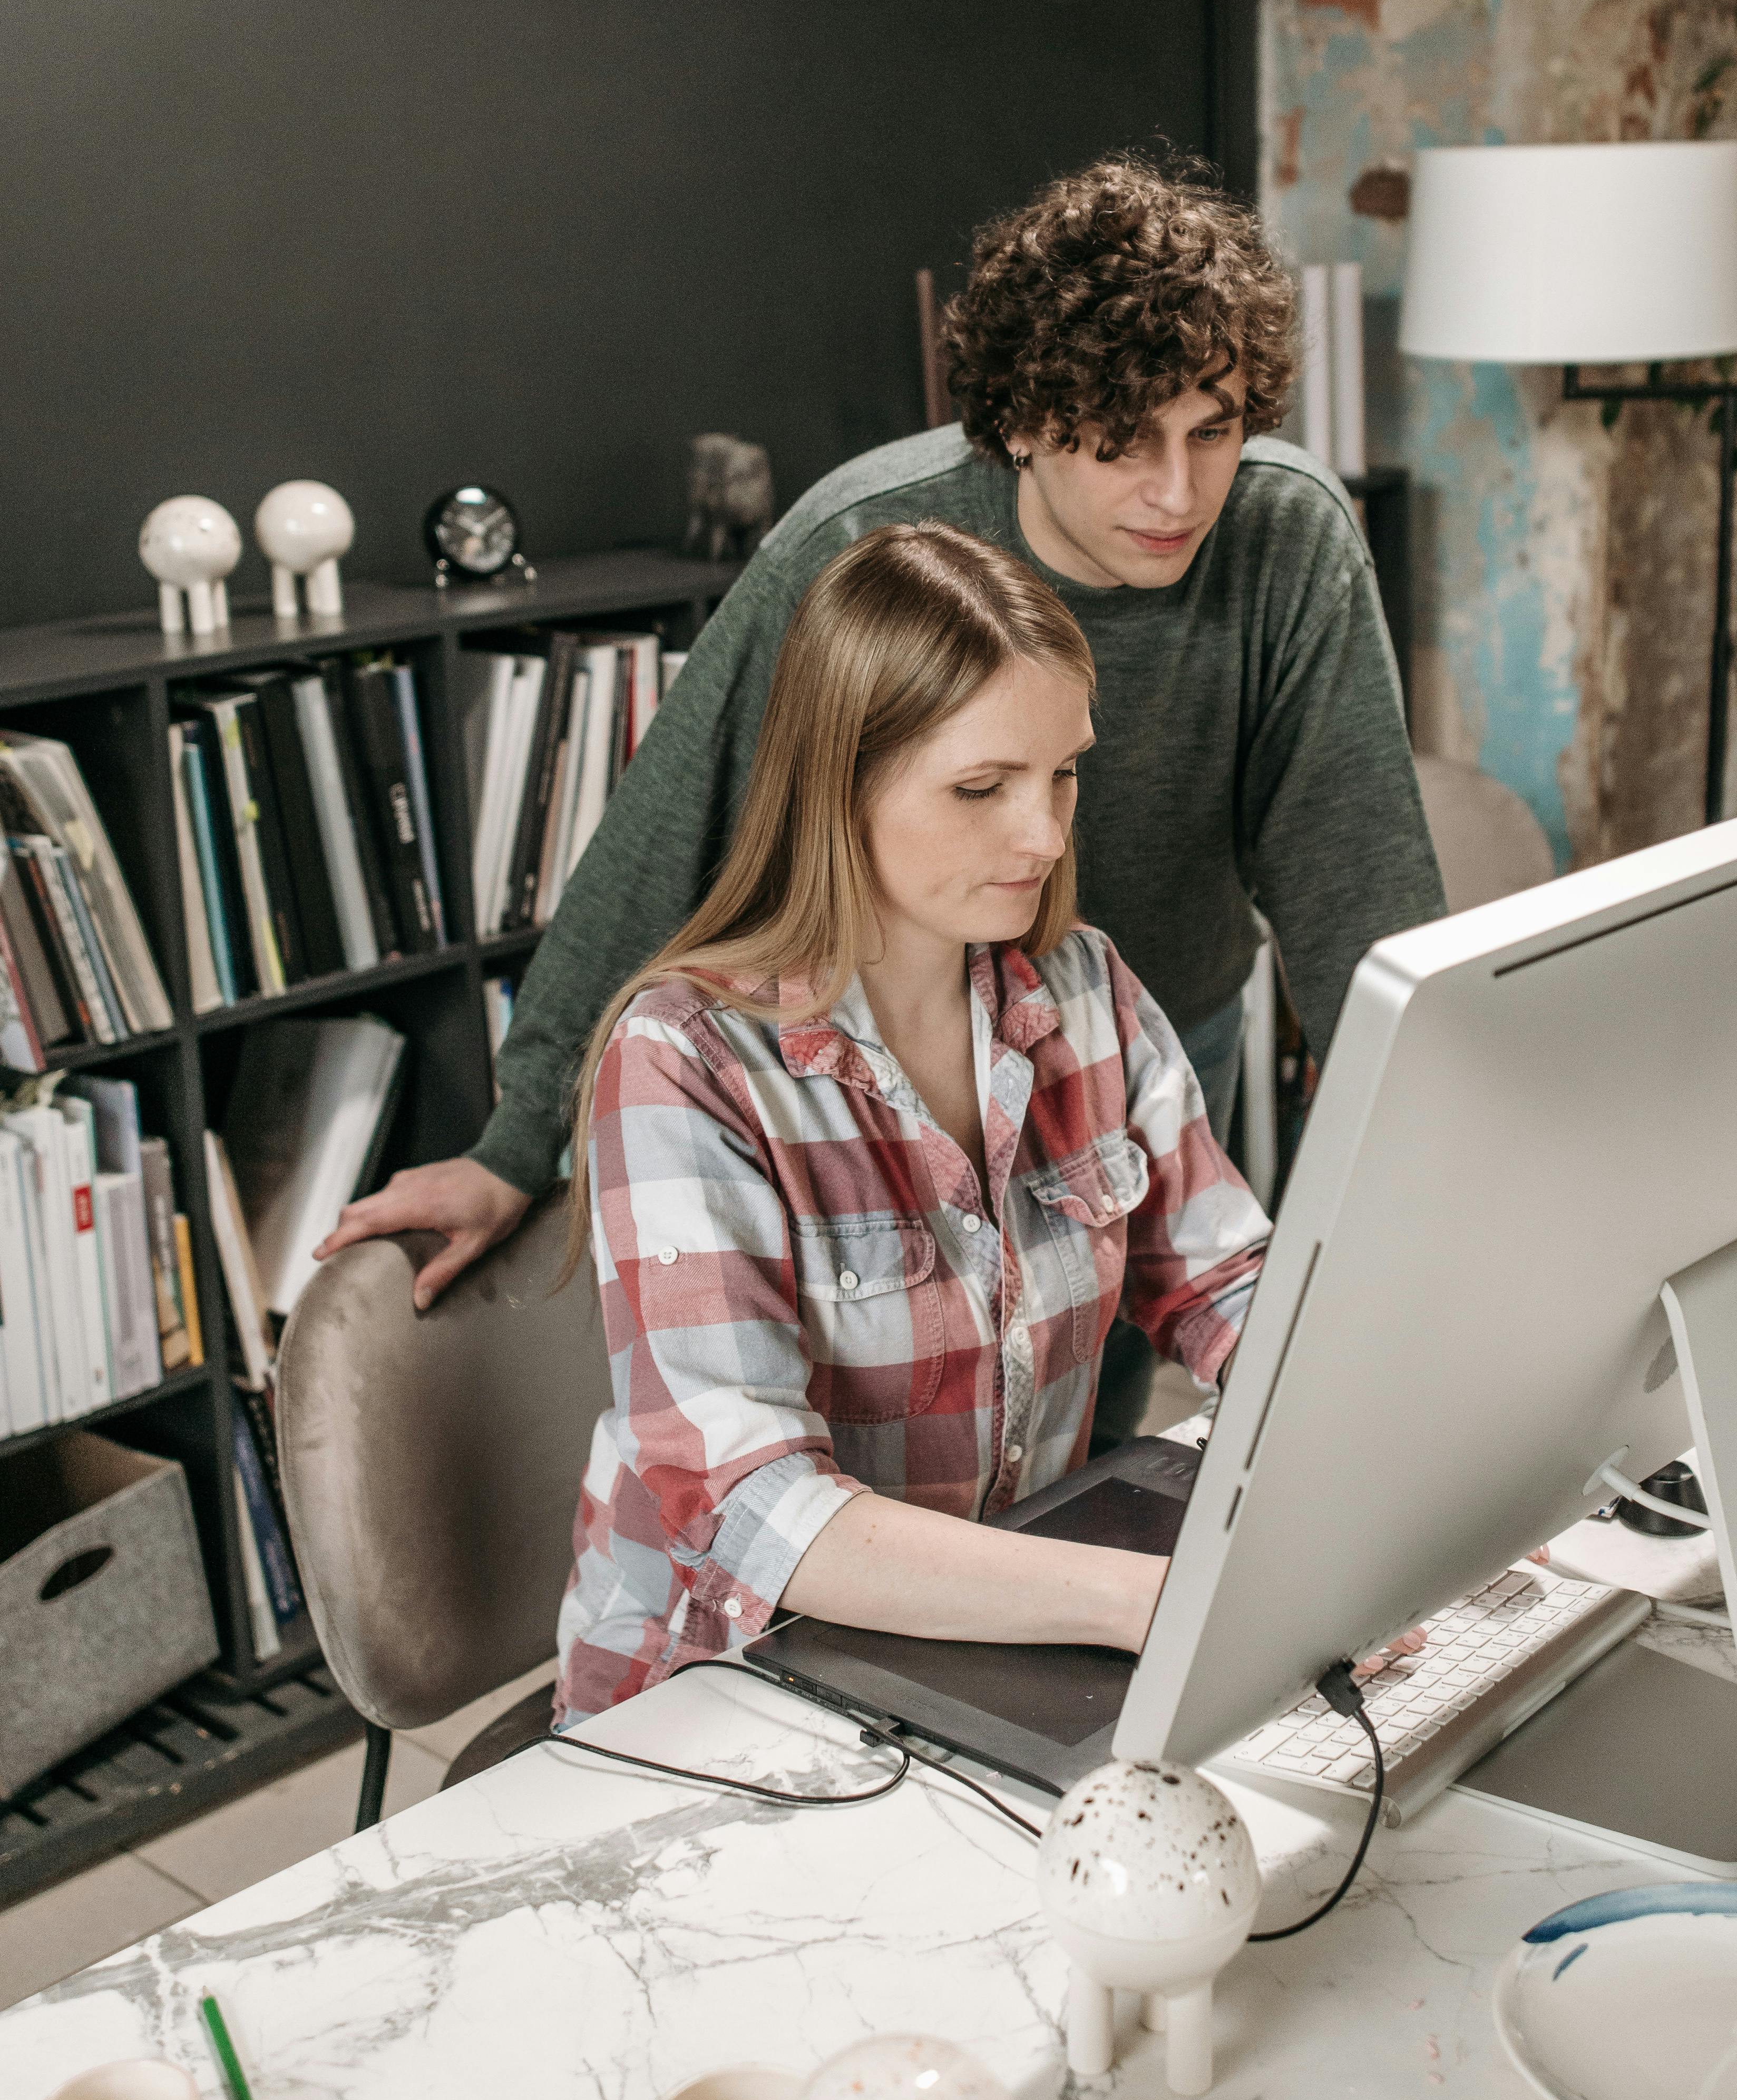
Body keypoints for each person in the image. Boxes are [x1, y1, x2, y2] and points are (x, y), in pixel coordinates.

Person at [319, 154, 1444, 1442]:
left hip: (1128, 1031)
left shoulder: (1285, 539)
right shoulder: (862, 548)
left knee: (1077, 1421)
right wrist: (517, 1143)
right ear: (1023, 419)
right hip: (879, 1047)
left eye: (1214, 431)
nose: (1179, 493)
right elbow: (665, 830)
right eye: (1124, 444)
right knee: (887, 1423)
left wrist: (1432, 1167)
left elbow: (1359, 896)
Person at [553, 524, 1271, 1715]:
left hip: (982, 1645)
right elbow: (752, 1504)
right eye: (981, 788)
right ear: (839, 783)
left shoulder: (1083, 987)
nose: (1042, 835)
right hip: (729, 1687)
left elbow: (1221, 1280)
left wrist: (1359, 1453)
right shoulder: (682, 1057)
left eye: (1062, 774)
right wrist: (1144, 1599)